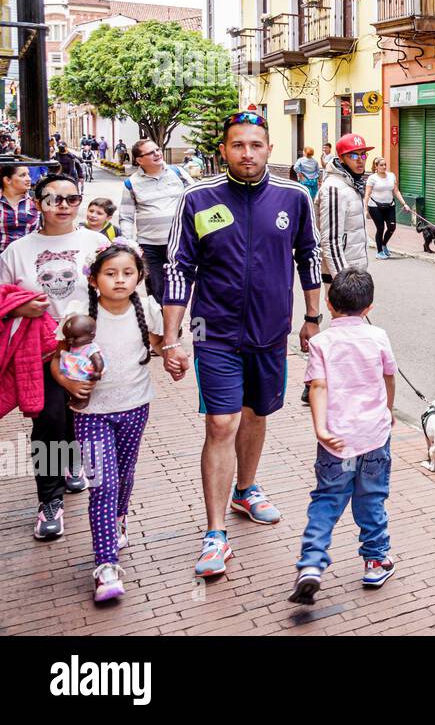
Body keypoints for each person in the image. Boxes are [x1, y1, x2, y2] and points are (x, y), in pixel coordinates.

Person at [162, 110, 322, 578]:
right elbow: (178, 268)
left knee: (255, 414)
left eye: (256, 145)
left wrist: (312, 318)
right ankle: (215, 535)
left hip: (271, 332)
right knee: (222, 422)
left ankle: (245, 489)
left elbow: (308, 255)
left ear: (270, 149)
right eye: (238, 145)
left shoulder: (293, 197)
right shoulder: (198, 197)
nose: (247, 153)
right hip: (212, 333)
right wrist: (172, 339)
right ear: (223, 150)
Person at [0, 173, 109, 539]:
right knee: (48, 420)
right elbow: (2, 297)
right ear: (37, 203)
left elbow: (120, 286)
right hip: (40, 351)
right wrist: (19, 309)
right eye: (54, 199)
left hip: (87, 349)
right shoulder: (17, 252)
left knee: (78, 413)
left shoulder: (95, 242)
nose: (63, 206)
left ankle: (72, 461)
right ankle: (50, 501)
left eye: (72, 198)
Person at [72, 240, 181, 602]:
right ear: (93, 279)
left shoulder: (145, 307)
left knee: (124, 473)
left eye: (128, 273)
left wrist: (172, 354)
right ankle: (106, 566)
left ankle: (118, 518)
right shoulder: (79, 313)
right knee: (102, 483)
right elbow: (61, 358)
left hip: (135, 406)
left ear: (139, 277)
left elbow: (161, 342)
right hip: (89, 413)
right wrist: (70, 383)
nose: (119, 280)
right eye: (110, 273)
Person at [288, 269, 397, 605]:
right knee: (371, 498)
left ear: (330, 305)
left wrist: (320, 428)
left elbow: (317, 386)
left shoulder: (320, 343)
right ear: (369, 307)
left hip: (335, 442)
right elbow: (388, 376)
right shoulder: (378, 336)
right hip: (374, 437)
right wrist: (388, 410)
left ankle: (311, 563)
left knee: (326, 501)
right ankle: (376, 561)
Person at [118, 138, 191, 301]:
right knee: (158, 291)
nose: (157, 153)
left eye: (157, 149)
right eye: (151, 152)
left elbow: (197, 200)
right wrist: (130, 244)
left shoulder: (178, 173)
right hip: (151, 247)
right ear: (139, 160)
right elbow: (126, 217)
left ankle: (176, 325)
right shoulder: (131, 183)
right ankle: (162, 324)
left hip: (180, 244)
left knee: (181, 288)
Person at [317, 133, 371, 281]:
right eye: (353, 156)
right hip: (342, 274)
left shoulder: (353, 183)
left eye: (363, 155)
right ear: (341, 158)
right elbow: (331, 241)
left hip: (356, 270)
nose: (360, 160)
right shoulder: (334, 188)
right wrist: (344, 281)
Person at [364, 156, 409, 259]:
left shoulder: (391, 176)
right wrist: (366, 209)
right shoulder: (372, 178)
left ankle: (384, 244)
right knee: (380, 228)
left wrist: (404, 204)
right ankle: (379, 252)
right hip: (375, 206)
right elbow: (367, 194)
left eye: (385, 165)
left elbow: (396, 191)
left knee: (392, 227)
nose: (384, 167)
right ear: (376, 166)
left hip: (389, 206)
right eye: (381, 165)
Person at [0, 164, 40, 253]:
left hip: (28, 257)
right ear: (7, 180)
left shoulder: (36, 201)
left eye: (28, 174)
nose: (29, 179)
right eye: (22, 175)